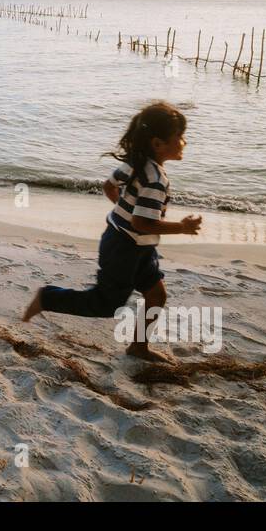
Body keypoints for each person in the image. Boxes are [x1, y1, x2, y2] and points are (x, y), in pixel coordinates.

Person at [22, 101, 201, 362]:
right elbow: (142, 223)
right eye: (179, 137)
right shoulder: (155, 180)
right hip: (124, 249)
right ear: (158, 143)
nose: (184, 142)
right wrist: (182, 228)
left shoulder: (135, 164)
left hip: (133, 244)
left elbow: (109, 187)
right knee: (105, 304)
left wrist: (124, 210)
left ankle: (138, 347)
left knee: (156, 294)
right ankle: (46, 297)